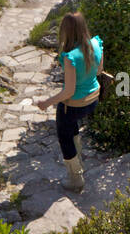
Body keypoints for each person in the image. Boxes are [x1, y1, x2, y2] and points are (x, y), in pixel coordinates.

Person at [36, 12, 102, 192]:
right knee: (71, 128)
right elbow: (99, 71)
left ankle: (76, 178)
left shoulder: (70, 57)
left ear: (67, 31)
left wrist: (47, 102)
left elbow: (69, 92)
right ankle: (78, 161)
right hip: (93, 99)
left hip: (75, 105)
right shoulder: (96, 44)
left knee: (65, 137)